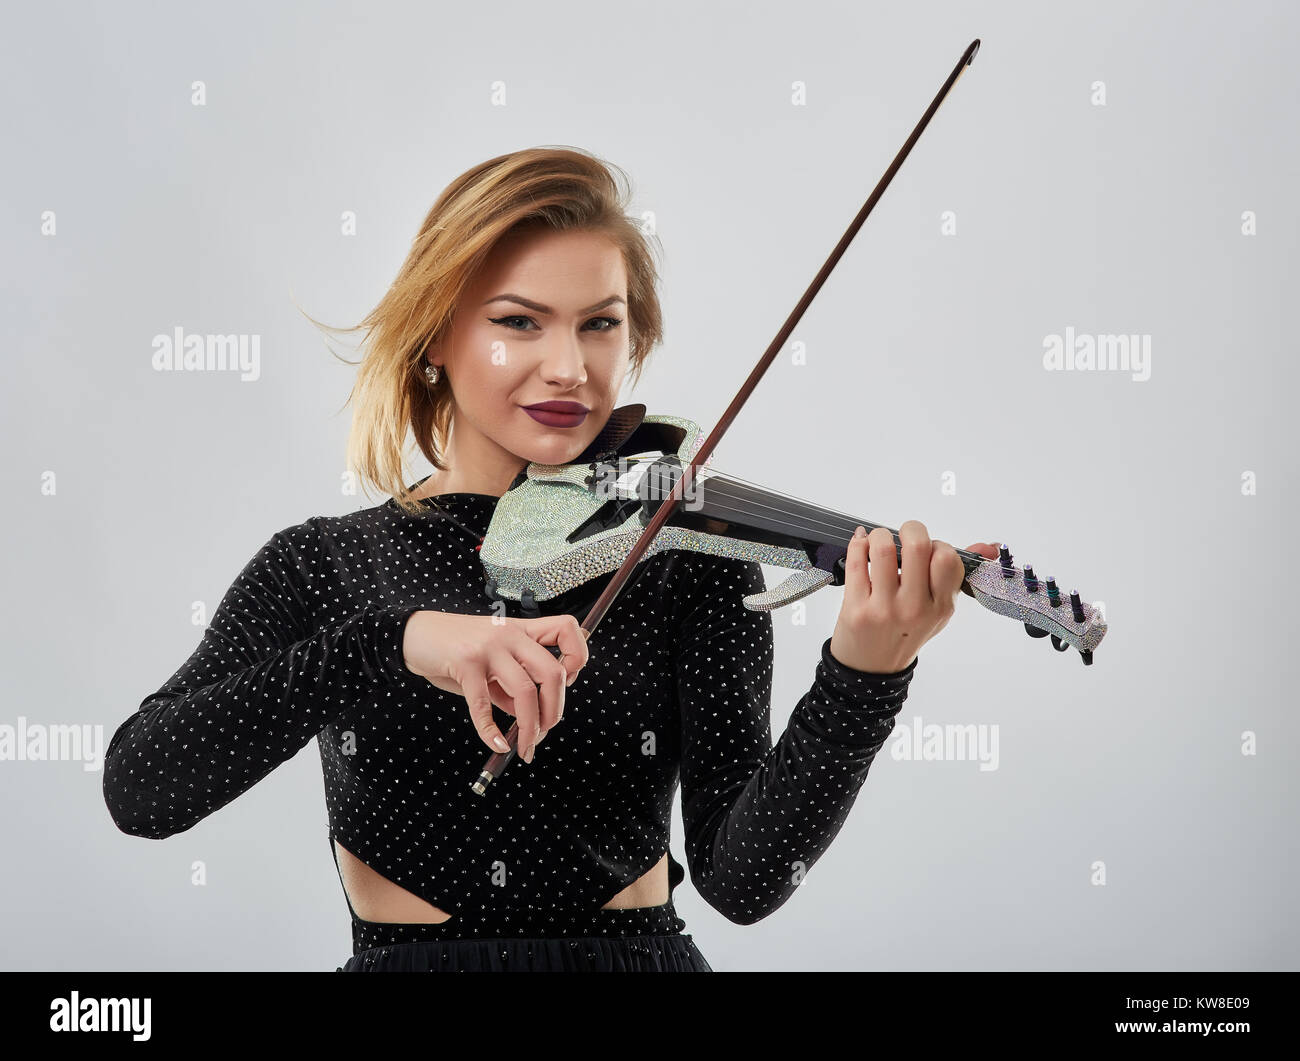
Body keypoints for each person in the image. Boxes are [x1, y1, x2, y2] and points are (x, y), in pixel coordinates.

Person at [102, 145, 998, 972]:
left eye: (599, 325)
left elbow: (742, 881)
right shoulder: (327, 565)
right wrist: (401, 642)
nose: (569, 367)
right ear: (434, 338)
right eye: (520, 322)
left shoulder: (687, 552)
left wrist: (864, 677)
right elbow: (141, 790)